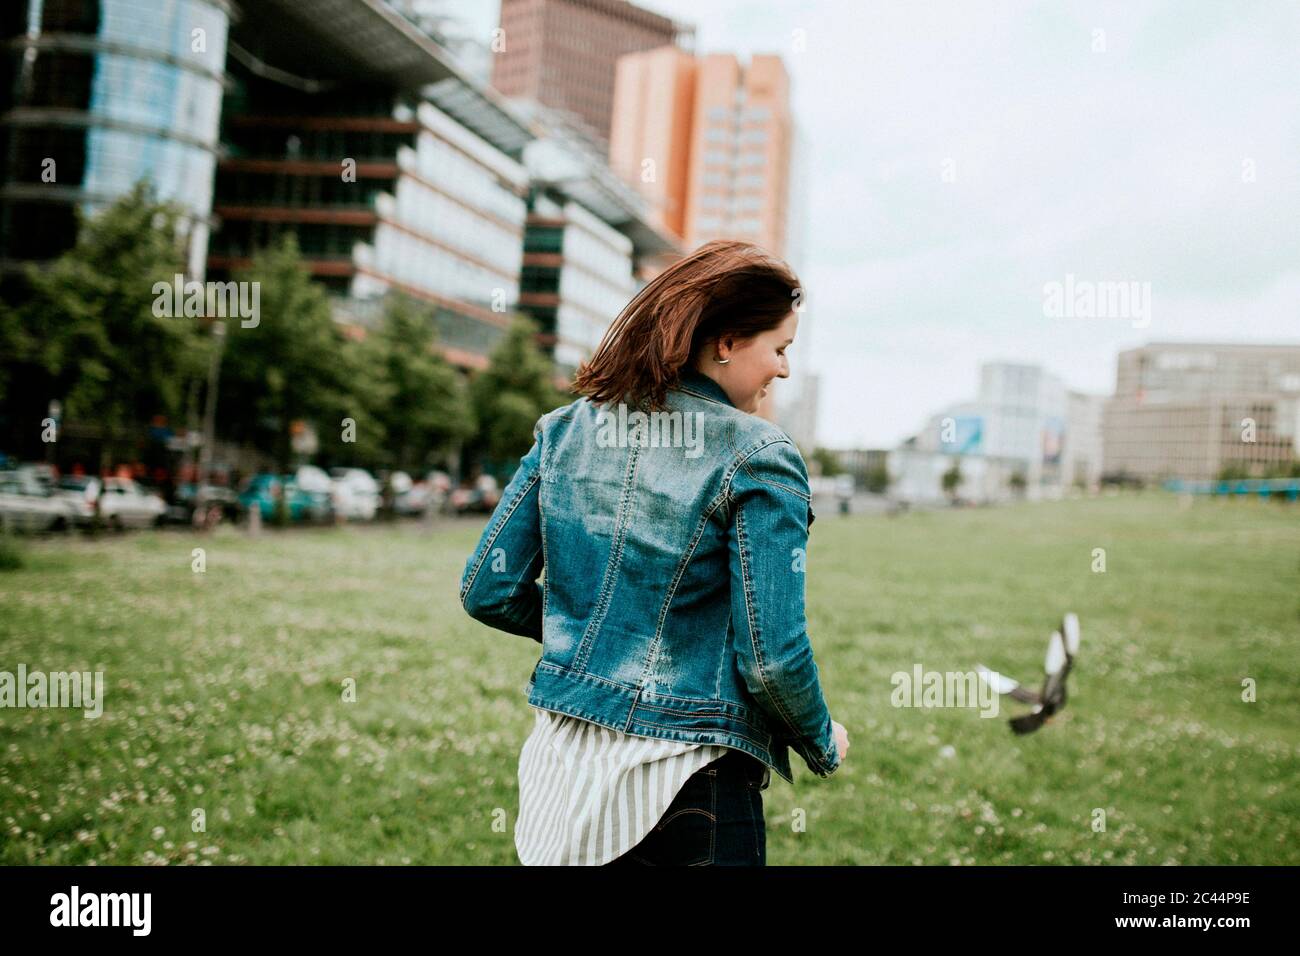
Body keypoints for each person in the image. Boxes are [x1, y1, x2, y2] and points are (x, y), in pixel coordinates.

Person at [460, 240, 849, 866]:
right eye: (779, 350)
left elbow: (488, 588)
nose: (782, 370)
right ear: (726, 342)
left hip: (561, 781)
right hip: (692, 784)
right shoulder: (758, 452)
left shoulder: (563, 430)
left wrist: (597, 632)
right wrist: (822, 740)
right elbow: (773, 657)